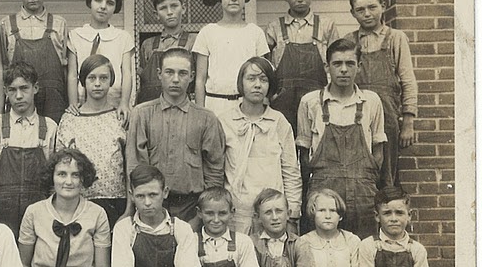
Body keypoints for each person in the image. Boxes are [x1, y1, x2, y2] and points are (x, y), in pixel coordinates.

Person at [297, 38, 386, 240]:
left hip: (363, 191)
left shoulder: (371, 101)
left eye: (350, 64)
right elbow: (303, 157)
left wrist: (365, 182)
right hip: (323, 192)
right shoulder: (310, 102)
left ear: (359, 66)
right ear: (327, 66)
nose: (344, 70)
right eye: (337, 64)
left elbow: (378, 154)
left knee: (363, 253)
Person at [127, 47, 225, 223]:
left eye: (182, 73)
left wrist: (200, 216)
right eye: (169, 72)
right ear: (159, 74)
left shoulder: (206, 118)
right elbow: (135, 165)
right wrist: (134, 209)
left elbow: (215, 171)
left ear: (192, 76)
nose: (175, 79)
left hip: (192, 207)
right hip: (152, 206)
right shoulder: (142, 114)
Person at [347, 0, 418, 187]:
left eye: (372, 7)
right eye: (360, 10)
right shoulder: (349, 41)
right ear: (352, 13)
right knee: (358, 176)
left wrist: (408, 122)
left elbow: (408, 81)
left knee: (387, 177)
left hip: (387, 119)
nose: (367, 14)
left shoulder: (396, 38)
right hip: (356, 120)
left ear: (383, 6)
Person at [220, 57, 301, 234]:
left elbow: (291, 170)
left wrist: (292, 213)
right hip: (237, 213)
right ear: (241, 83)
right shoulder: (224, 122)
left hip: (272, 215)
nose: (257, 85)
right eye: (251, 78)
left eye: (263, 79)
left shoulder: (279, 122)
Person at [0, 61, 57, 236]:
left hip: (39, 214)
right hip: (1, 215)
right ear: (5, 92)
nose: (18, 96)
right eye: (12, 90)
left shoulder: (49, 127)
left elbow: (53, 182)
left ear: (35, 88)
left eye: (24, 88)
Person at [265, 0, 340, 133]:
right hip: (282, 104)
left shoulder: (326, 26)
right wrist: (269, 97)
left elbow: (337, 65)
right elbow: (265, 69)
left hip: (317, 101)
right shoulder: (273, 28)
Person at [57, 54, 127, 229]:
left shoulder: (119, 118)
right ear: (83, 82)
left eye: (103, 78)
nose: (97, 84)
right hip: (79, 201)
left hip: (115, 201)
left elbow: (129, 164)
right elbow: (59, 163)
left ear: (111, 81)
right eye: (92, 78)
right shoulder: (70, 119)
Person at [192, 0, 269, 118]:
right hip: (214, 104)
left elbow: (262, 76)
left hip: (247, 106)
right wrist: (200, 114)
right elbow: (200, 79)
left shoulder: (255, 33)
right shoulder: (207, 32)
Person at [0, 0, 68, 123]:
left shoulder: (59, 23)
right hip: (20, 100)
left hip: (54, 102)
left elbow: (66, 70)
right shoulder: (6, 25)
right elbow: (3, 68)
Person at [67, 0, 134, 121]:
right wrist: (73, 103)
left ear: (116, 8)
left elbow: (127, 73)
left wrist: (124, 103)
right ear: (90, 2)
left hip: (113, 103)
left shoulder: (123, 37)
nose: (103, 6)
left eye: (110, 3)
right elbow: (72, 74)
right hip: (83, 103)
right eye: (98, 0)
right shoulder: (75, 35)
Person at [137, 0, 197, 105]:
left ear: (183, 8)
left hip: (183, 105)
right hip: (152, 106)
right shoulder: (148, 45)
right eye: (163, 8)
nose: (169, 12)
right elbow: (144, 82)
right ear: (156, 14)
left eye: (174, 6)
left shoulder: (194, 41)